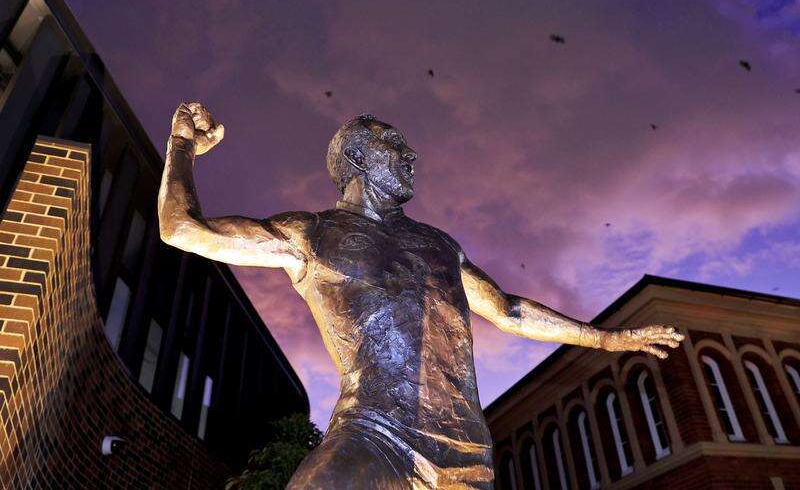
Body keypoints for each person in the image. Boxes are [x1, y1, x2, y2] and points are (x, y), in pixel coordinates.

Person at [158, 103, 683, 489]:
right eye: (394, 144)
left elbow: (508, 310)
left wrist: (606, 339)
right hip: (371, 432)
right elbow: (181, 229)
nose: (412, 154)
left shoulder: (438, 246)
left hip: (463, 452)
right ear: (358, 157)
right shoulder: (309, 234)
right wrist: (182, 147)